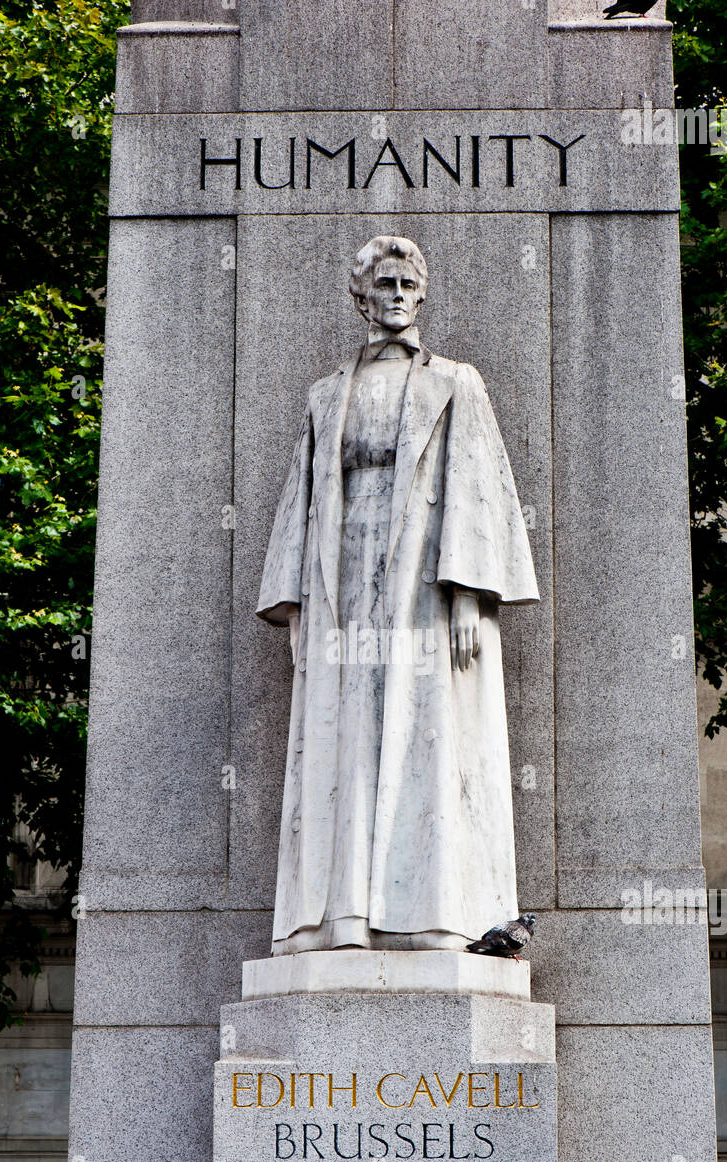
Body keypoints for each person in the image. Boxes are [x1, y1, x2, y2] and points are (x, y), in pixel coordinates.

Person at [257, 235, 538, 954]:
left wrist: (472, 595)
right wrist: (293, 602)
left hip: (424, 583)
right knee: (342, 746)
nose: (397, 296)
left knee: (428, 739)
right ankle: (341, 917)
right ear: (360, 297)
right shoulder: (325, 395)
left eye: (409, 284)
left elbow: (477, 490)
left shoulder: (456, 382)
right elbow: (301, 502)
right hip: (342, 586)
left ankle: (433, 913)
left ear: (424, 293)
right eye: (384, 284)